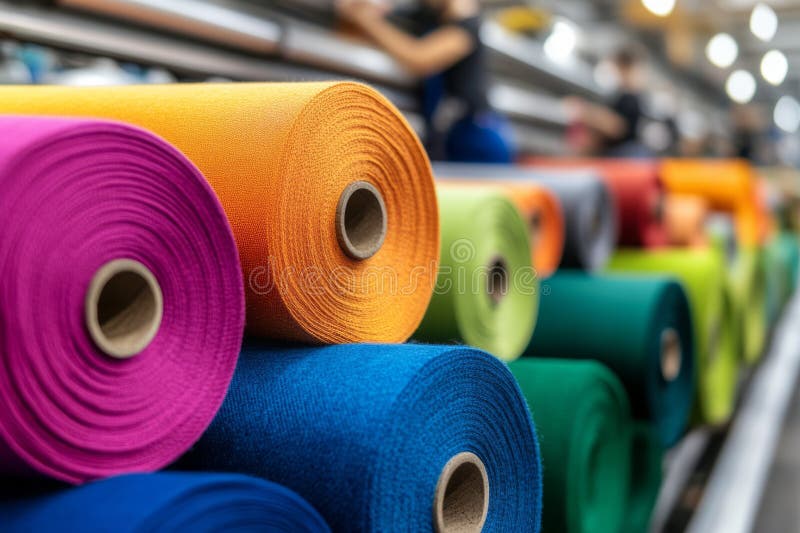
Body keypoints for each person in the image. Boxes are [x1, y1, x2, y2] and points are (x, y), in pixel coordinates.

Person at [336, 0, 516, 163]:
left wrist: (367, 19)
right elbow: (353, 36)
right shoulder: (426, 20)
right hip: (446, 138)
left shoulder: (467, 26)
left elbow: (420, 59)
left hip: (478, 139)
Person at [564, 46, 649, 157]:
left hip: (625, 156)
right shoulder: (619, 96)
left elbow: (618, 127)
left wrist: (587, 113)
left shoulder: (632, 99)